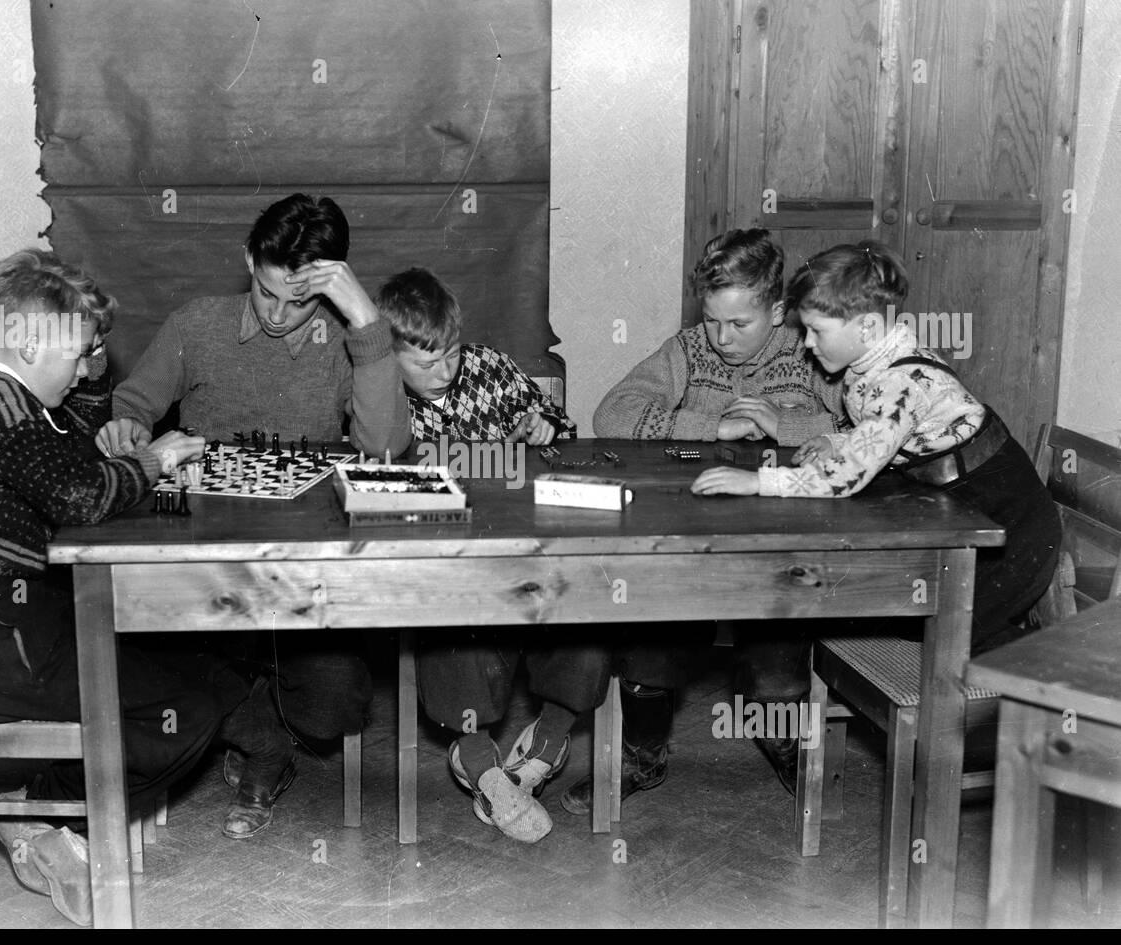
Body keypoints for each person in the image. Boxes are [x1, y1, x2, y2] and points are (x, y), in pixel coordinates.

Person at [0, 249, 248, 925]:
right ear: (29, 345)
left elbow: (74, 445)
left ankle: (44, 811)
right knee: (190, 711)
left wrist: (84, 369)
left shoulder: (4, 396)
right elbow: (86, 495)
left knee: (191, 667)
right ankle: (32, 811)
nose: (91, 362)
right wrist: (154, 457)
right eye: (80, 350)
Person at [95, 194, 411, 840]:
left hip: (302, 580)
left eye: (301, 300)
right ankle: (264, 739)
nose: (280, 313)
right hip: (205, 570)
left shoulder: (348, 341)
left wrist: (366, 318)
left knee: (338, 698)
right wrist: (126, 427)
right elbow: (133, 400)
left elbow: (385, 449)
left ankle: (251, 716)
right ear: (248, 260)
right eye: (269, 293)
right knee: (148, 660)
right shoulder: (197, 323)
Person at [566, 228, 846, 813]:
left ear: (778, 310)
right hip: (691, 531)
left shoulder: (812, 348)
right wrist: (709, 426)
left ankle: (782, 740)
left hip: (778, 534)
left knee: (779, 639)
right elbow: (612, 413)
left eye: (739, 325)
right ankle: (643, 753)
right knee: (656, 630)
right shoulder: (689, 349)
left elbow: (859, 431)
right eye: (713, 321)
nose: (721, 339)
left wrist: (784, 426)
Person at [692, 239, 1061, 657]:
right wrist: (836, 439)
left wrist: (759, 481)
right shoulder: (873, 361)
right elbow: (887, 432)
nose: (808, 343)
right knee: (906, 621)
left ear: (866, 327)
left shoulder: (898, 381)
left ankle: (1059, 673)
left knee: (949, 639)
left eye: (816, 331)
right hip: (961, 500)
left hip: (1009, 522)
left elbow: (849, 474)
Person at [377, 267, 608, 843]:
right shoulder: (376, 396)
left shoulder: (491, 367)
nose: (445, 371)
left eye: (451, 354)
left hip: (523, 549)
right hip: (449, 561)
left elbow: (559, 426)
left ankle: (544, 743)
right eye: (425, 363)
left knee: (590, 593)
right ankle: (482, 762)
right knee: (449, 616)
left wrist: (542, 427)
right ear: (389, 355)